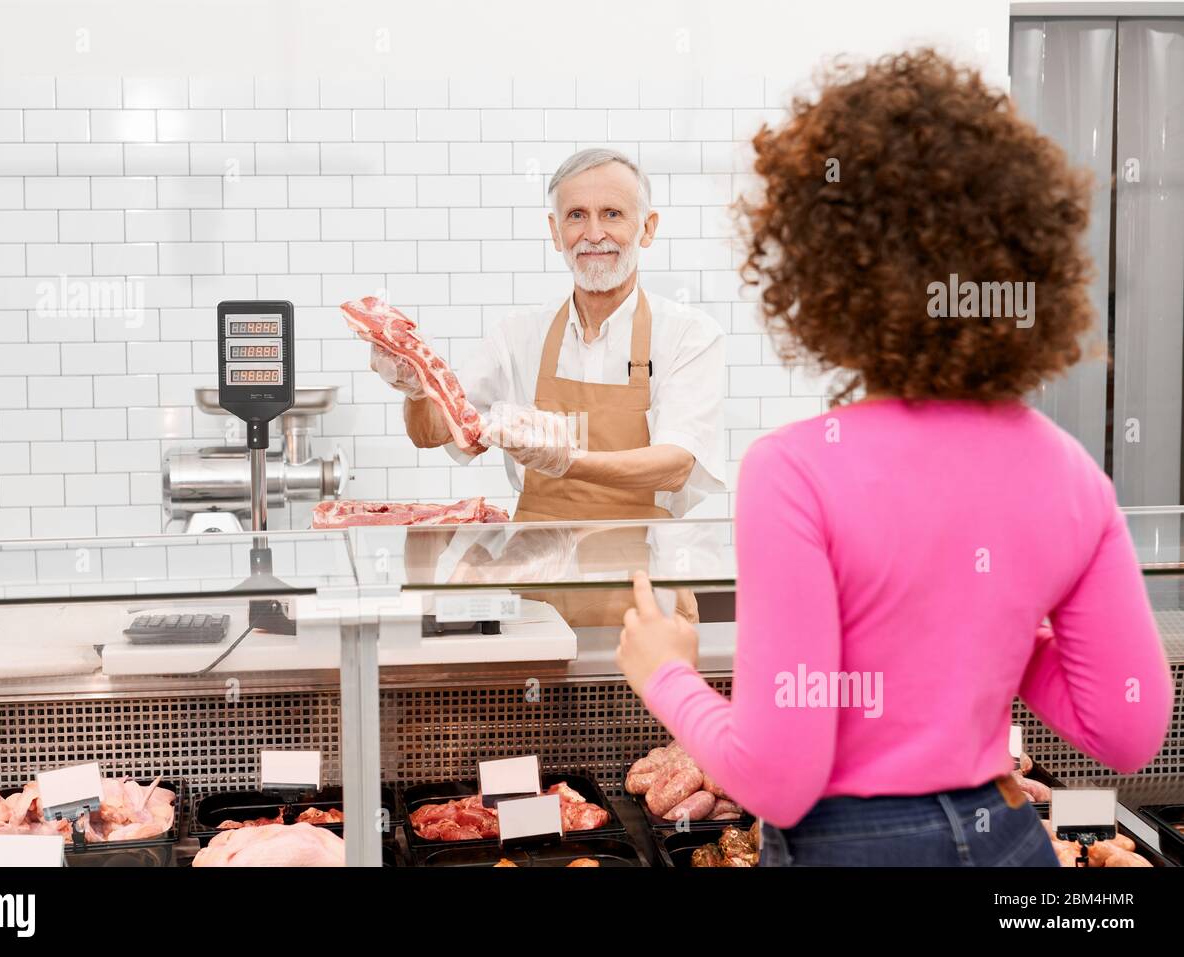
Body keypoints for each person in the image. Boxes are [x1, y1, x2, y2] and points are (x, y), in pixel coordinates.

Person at [615, 49, 1174, 866]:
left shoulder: (795, 472)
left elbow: (778, 778)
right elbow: (1126, 729)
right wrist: (991, 630)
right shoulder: (1069, 470)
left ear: (823, 271)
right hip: (1013, 846)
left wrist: (667, 674)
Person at [373, 148, 726, 626]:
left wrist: (568, 461)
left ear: (647, 227)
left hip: (643, 594)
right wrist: (417, 387)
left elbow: (676, 465)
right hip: (532, 591)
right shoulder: (518, 335)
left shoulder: (686, 333)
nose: (594, 233)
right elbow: (435, 431)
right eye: (576, 215)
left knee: (632, 703)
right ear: (555, 231)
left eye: (613, 214)